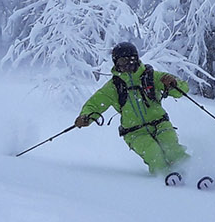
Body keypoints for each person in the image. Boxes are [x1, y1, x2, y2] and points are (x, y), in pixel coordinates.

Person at [75, 42, 189, 175]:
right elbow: (95, 103)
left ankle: (193, 172)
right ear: (116, 63)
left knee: (173, 150)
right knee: (154, 154)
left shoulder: (151, 77)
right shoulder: (114, 86)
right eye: (123, 61)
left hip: (160, 124)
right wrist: (86, 116)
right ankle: (165, 179)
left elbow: (182, 90)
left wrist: (173, 84)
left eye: (132, 60)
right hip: (135, 132)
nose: (128, 64)